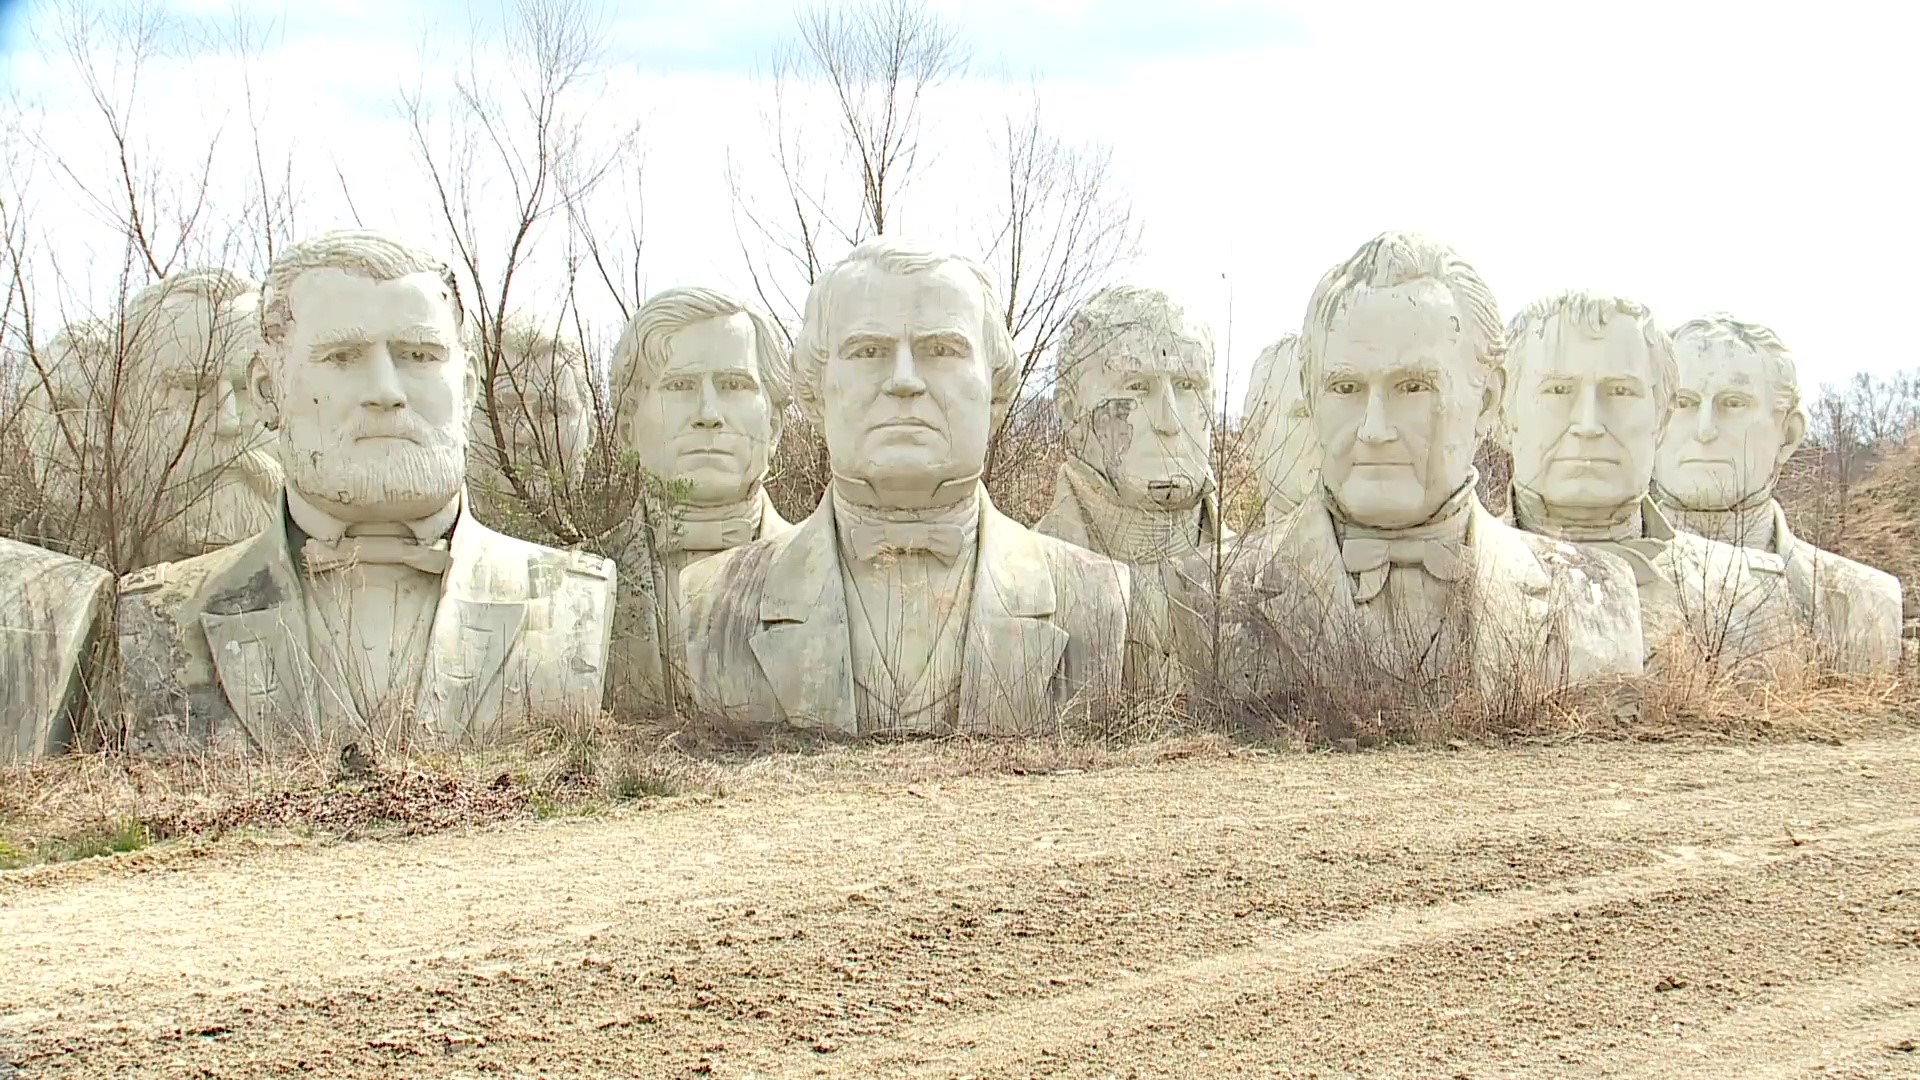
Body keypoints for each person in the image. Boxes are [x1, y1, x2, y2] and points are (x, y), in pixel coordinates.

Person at [116, 230, 616, 754]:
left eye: (419, 355)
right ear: (268, 390)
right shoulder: (161, 612)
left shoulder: (576, 597)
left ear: (467, 389)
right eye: (343, 357)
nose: (385, 391)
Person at [678, 238, 1140, 736]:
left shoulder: (1094, 595)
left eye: (941, 349)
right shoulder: (713, 599)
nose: (904, 381)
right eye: (868, 351)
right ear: (815, 394)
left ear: (995, 392)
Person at [1223, 233, 1643, 710]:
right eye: (1345, 387)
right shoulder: (1203, 599)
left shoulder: (1597, 596)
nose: (1374, 429)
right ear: (1309, 393)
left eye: (1413, 387)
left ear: (1487, 400)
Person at [1654, 313, 1901, 670]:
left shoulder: (1865, 601)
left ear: (1788, 434)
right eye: (1683, 403)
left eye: (1734, 403)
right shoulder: (1587, 586)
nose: (1704, 430)